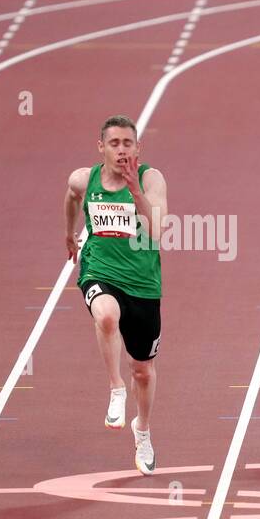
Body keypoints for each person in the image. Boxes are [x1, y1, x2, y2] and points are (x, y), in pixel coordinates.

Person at [65, 115, 167, 474]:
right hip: (99, 271)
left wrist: (135, 190)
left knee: (143, 370)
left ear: (138, 148)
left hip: (143, 284)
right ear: (101, 148)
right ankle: (115, 389)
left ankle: (143, 430)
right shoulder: (84, 178)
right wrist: (69, 232)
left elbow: (157, 231)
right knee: (105, 314)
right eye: (114, 144)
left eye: (128, 143)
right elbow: (72, 195)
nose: (121, 150)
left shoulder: (151, 179)